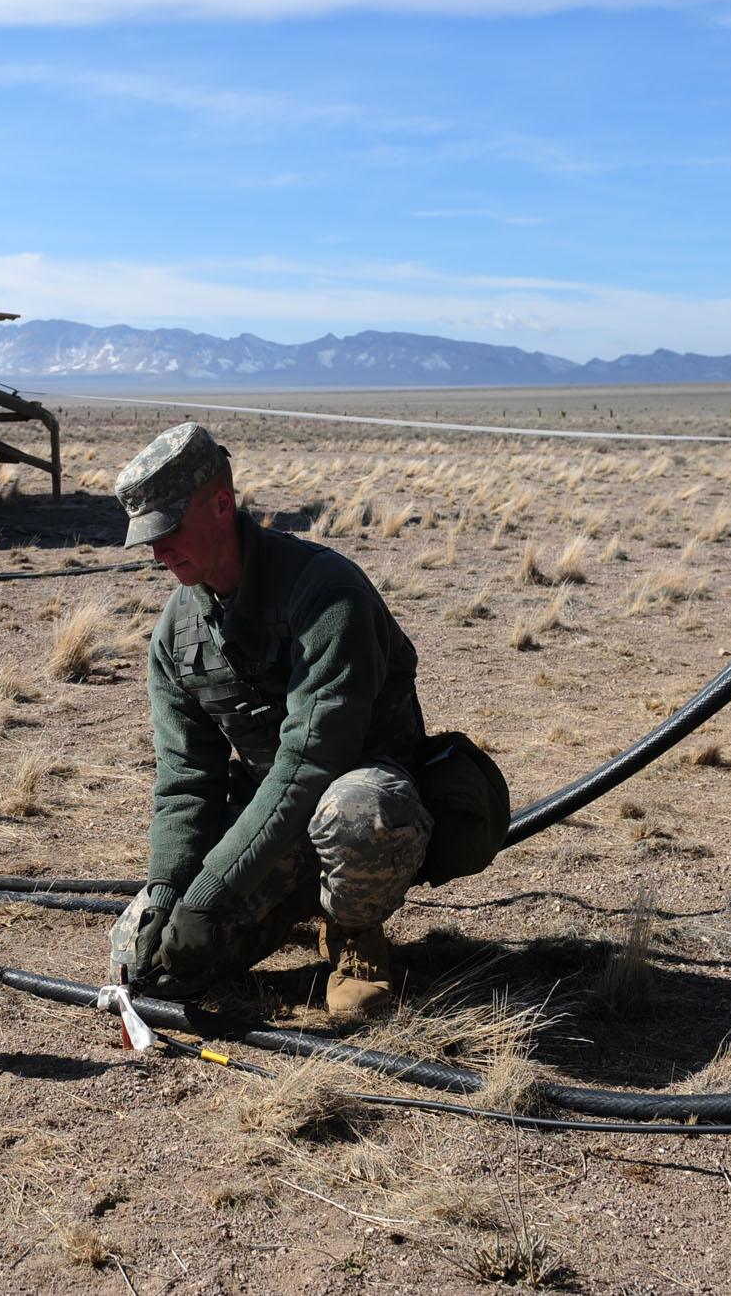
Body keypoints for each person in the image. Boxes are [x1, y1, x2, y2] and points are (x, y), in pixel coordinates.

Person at [106, 422, 443, 1018]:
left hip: (358, 791)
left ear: (221, 504)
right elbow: (186, 778)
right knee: (143, 960)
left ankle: (355, 935)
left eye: (169, 531)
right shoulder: (176, 634)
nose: (158, 554)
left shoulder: (326, 593)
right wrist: (166, 893)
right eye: (147, 540)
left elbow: (313, 759)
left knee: (358, 812)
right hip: (273, 815)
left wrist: (210, 892)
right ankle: (288, 903)